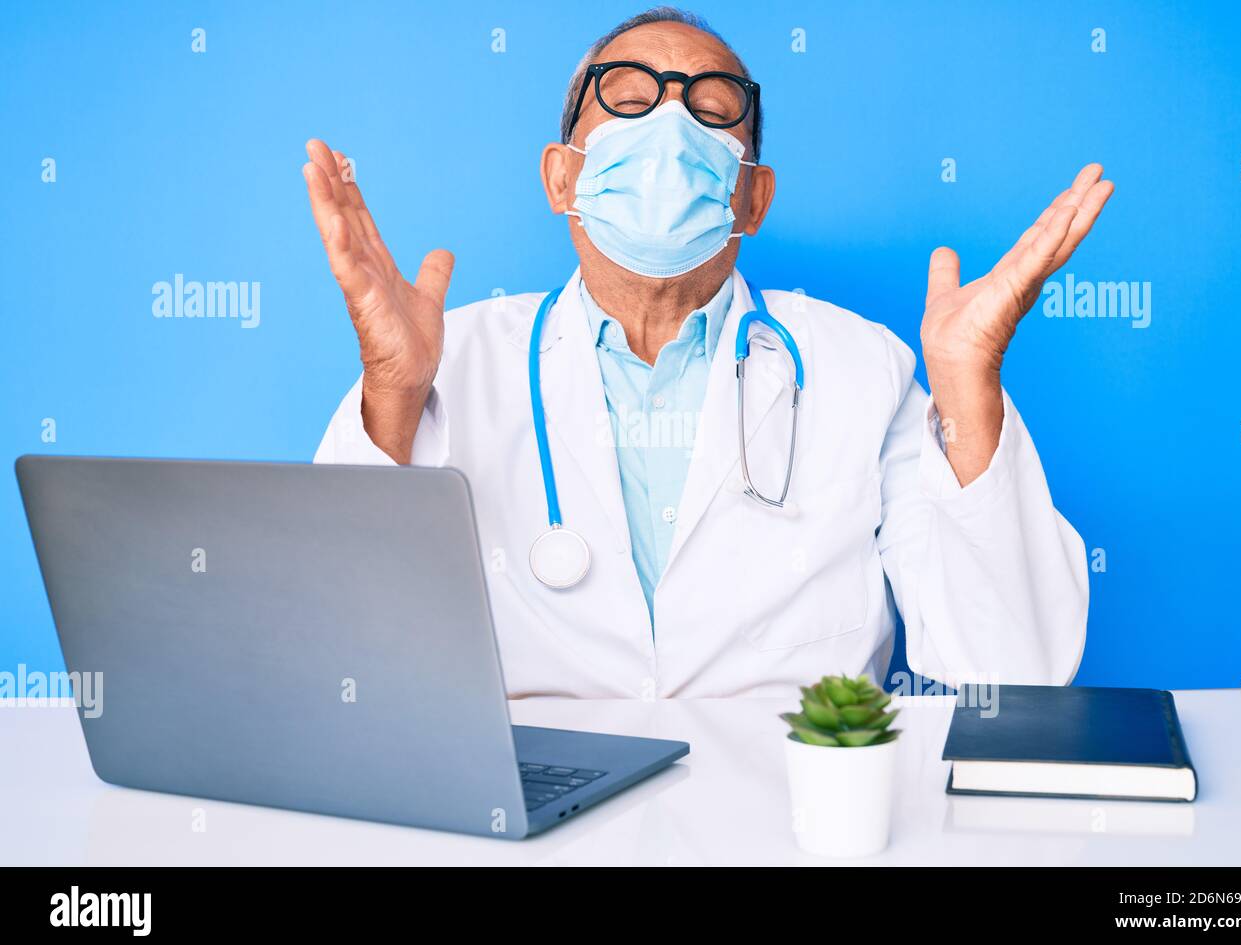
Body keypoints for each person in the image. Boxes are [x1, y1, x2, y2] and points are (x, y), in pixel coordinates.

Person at [308, 8, 1111, 699]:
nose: (668, 131)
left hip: (792, 812)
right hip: (526, 813)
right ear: (560, 180)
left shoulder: (862, 368)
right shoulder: (454, 359)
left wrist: (969, 388)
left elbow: (1018, 670)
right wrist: (392, 391)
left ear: (753, 197)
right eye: (627, 103)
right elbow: (336, 649)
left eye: (712, 112)